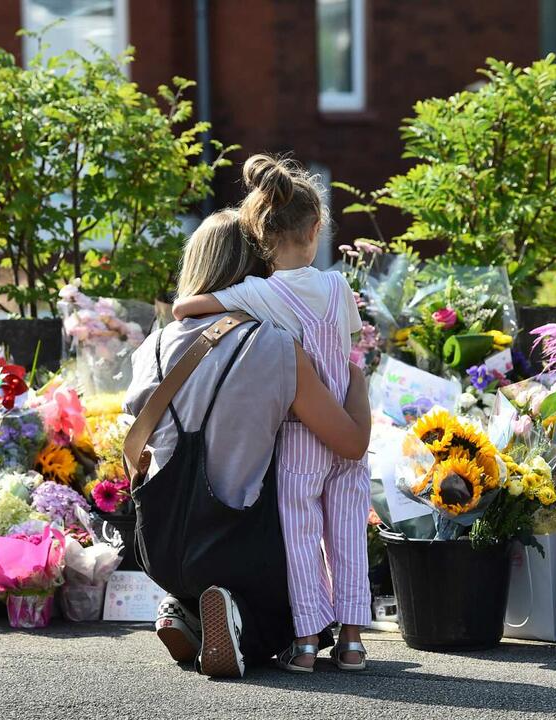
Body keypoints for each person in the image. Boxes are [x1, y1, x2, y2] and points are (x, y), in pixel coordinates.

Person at [125, 208, 371, 678]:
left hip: (161, 539)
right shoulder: (275, 345)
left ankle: (187, 606)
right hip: (241, 541)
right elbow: (350, 442)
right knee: (292, 612)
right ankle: (243, 627)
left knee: (199, 568)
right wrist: (356, 384)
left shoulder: (152, 348)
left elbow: (140, 439)